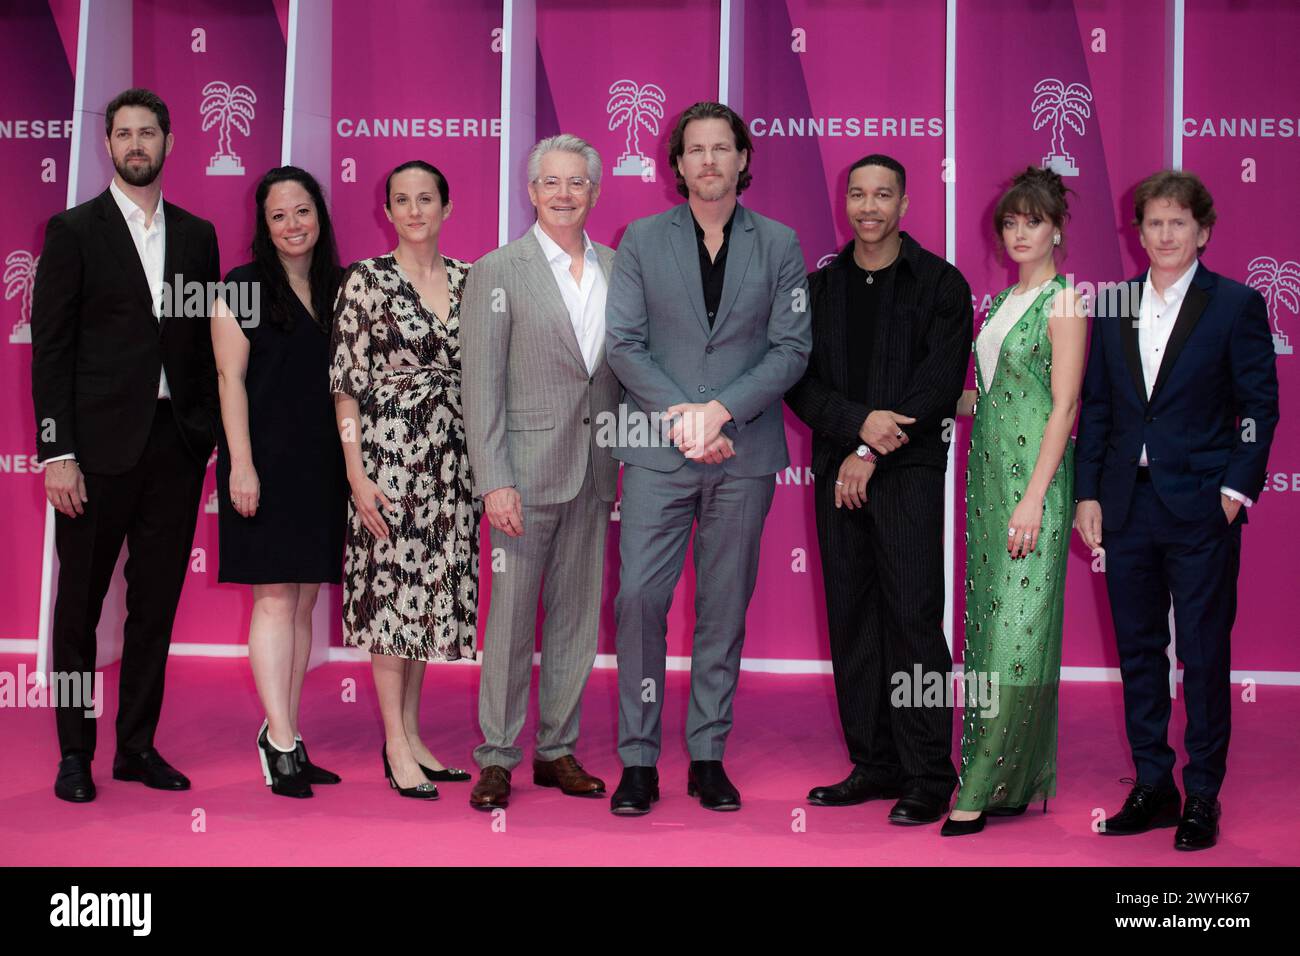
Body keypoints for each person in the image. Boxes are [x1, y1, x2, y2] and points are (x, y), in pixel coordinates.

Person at [605, 101, 811, 815]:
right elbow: (626, 344)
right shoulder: (640, 239)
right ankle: (637, 759)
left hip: (742, 451)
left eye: (722, 148)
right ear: (678, 164)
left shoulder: (780, 243)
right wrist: (683, 420)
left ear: (744, 160)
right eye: (695, 149)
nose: (709, 161)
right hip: (659, 452)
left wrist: (718, 413)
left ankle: (706, 755)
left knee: (723, 610)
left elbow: (791, 349)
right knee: (638, 601)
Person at [1075, 170, 1278, 851]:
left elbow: (1258, 408)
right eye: (1153, 223)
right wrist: (1088, 494)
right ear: (1139, 232)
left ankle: (1203, 796)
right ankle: (1154, 785)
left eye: (1177, 223)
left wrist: (1234, 493)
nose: (1164, 235)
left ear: (1203, 232)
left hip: (1200, 509)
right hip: (1127, 507)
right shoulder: (1111, 304)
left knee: (1201, 653)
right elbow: (1097, 409)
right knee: (1138, 652)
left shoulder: (1235, 306)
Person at [32, 88, 220, 803]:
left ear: (170, 143)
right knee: (77, 611)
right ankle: (74, 752)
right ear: (107, 146)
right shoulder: (73, 231)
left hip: (174, 450)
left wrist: (202, 435)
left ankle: (136, 746)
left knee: (155, 608)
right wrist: (57, 453)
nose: (137, 144)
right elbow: (50, 350)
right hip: (92, 455)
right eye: (124, 134)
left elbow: (201, 343)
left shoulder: (198, 236)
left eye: (148, 132)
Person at [785, 154, 972, 826]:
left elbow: (938, 383)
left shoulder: (941, 285)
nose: (869, 206)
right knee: (852, 616)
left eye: (882, 194)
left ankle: (927, 772)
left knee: (913, 618)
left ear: (905, 204)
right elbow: (799, 380)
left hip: (908, 472)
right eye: (858, 194)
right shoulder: (818, 290)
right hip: (839, 473)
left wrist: (870, 447)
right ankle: (874, 762)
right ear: (846, 204)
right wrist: (855, 429)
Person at [461, 134, 619, 810]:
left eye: (576, 182)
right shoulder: (498, 269)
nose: (563, 193)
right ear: (530, 192)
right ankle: (497, 756)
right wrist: (494, 478)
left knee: (577, 620)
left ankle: (556, 749)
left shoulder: (619, 268)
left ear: (594, 191)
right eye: (550, 182)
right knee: (511, 624)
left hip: (596, 471)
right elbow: (481, 384)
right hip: (520, 479)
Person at [328, 161, 480, 800]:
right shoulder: (364, 281)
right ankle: (394, 743)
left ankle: (414, 735)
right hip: (387, 464)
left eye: (426, 199)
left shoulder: (474, 280)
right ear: (386, 212)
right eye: (401, 200)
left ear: (447, 207)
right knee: (391, 603)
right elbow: (346, 388)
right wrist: (356, 474)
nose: (414, 210)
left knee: (424, 606)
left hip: (452, 467)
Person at [942, 167, 1086, 836]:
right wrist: (929, 402)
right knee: (987, 630)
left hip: (1035, 487)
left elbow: (1064, 406)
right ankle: (1010, 777)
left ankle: (980, 782)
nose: (1019, 232)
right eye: (1010, 222)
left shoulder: (1066, 301)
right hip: (987, 483)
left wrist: (1034, 499)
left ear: (1056, 226)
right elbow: (990, 396)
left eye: (1031, 220)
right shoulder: (999, 303)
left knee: (1015, 635)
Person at [211, 166, 347, 798]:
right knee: (273, 600)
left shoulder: (342, 287)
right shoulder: (242, 288)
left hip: (323, 467)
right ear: (263, 226)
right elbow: (229, 381)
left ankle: (284, 733)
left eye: (302, 211)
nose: (293, 225)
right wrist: (240, 464)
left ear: (318, 215)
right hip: (263, 466)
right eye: (278, 216)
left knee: (303, 601)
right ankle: (283, 745)